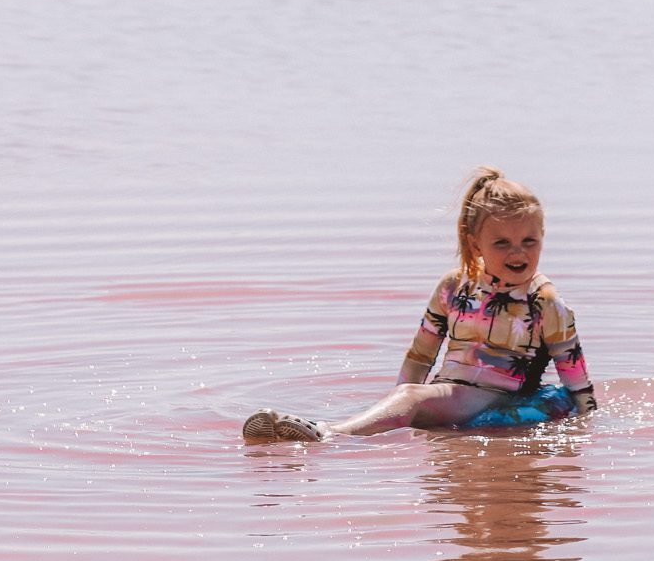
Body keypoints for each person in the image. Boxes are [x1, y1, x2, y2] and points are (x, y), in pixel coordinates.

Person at [242, 168, 596, 441]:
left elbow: (576, 377)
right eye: (502, 243)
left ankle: (329, 435)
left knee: (413, 398)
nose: (518, 252)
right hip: (450, 392)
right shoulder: (454, 286)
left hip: (496, 397)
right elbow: (420, 355)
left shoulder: (546, 302)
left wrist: (586, 426)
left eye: (529, 241)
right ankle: (313, 431)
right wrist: (398, 400)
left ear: (543, 238)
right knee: (410, 397)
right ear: (475, 245)